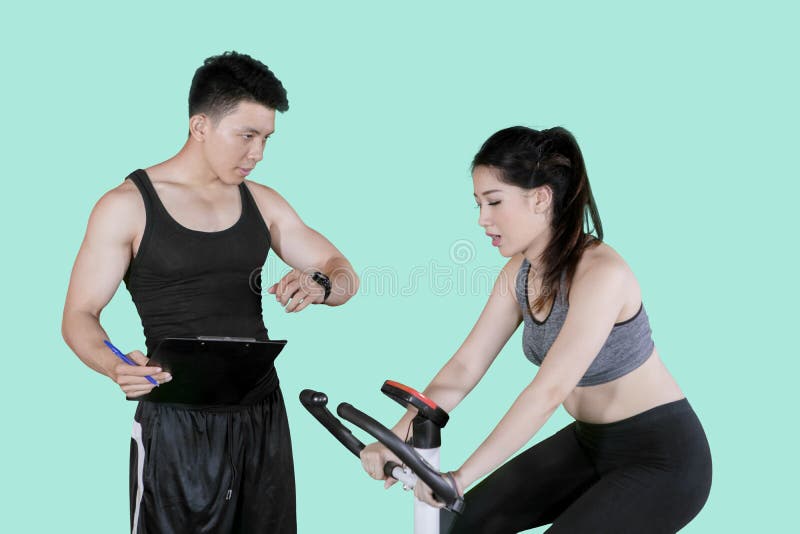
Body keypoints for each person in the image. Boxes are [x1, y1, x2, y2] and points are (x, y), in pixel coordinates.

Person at [61, 51, 359, 533]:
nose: (257, 153)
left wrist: (322, 284)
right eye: (246, 135)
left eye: (265, 138)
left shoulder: (263, 201)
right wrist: (116, 363)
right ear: (200, 126)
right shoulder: (125, 206)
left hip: (261, 413)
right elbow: (79, 314)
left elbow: (343, 271)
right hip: (178, 419)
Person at [360, 126, 712, 533]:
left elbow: (548, 392)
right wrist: (395, 438)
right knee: (461, 524)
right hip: (588, 443)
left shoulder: (601, 275)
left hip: (662, 458)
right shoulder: (519, 274)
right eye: (477, 204)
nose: (482, 219)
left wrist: (460, 478)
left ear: (541, 198)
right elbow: (464, 367)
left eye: (494, 202)